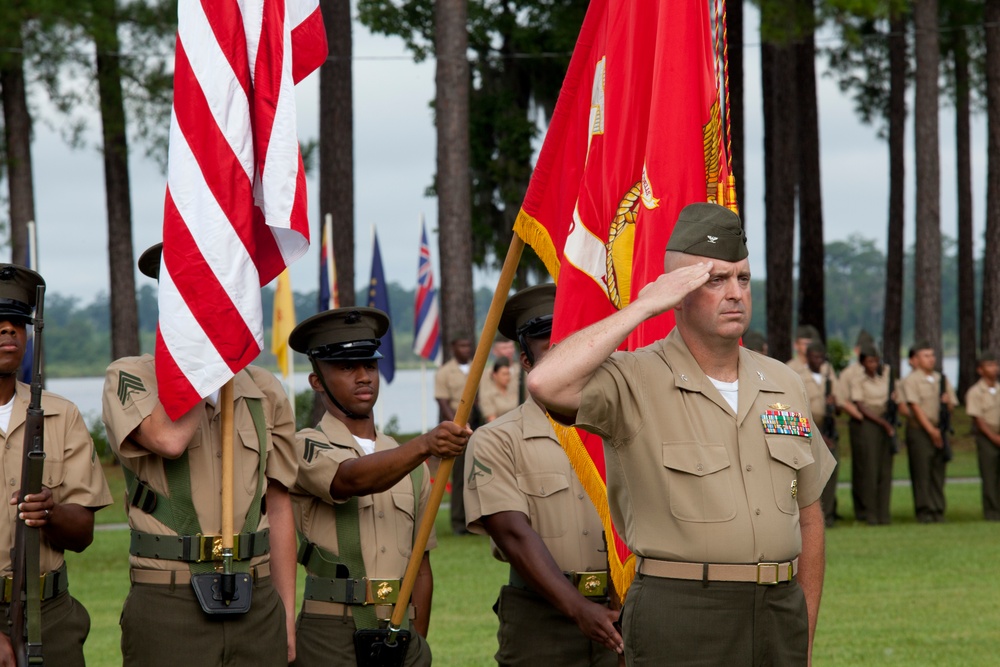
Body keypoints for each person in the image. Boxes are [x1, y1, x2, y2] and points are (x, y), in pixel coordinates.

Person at [528, 203, 835, 666]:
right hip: (683, 611)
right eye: (715, 280)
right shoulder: (634, 379)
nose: (735, 293)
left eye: (743, 279)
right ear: (678, 290)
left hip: (778, 612)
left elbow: (809, 518)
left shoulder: (783, 383)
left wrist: (803, 635)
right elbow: (545, 383)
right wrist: (645, 305)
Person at [102, 244, 300, 666]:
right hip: (168, 598)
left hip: (256, 592)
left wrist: (284, 615)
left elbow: (279, 506)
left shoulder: (263, 389)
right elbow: (169, 439)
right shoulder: (130, 376)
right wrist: (204, 358)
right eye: (190, 289)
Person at [287, 307, 471, 667]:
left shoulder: (412, 466)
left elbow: (421, 568)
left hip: (399, 627)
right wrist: (424, 446)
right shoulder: (303, 445)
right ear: (316, 382)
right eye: (346, 367)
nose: (363, 377)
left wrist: (417, 641)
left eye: (369, 365)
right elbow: (350, 479)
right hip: (331, 627)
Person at [464, 285, 621, 666]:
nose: (568, 355)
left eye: (576, 341)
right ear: (526, 361)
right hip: (540, 620)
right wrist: (579, 609)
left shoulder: (622, 429)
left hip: (624, 614)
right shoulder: (496, 440)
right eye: (551, 347)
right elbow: (513, 534)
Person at [0, 264, 111, 666]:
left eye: (17, 323)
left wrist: (49, 512)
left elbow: (82, 534)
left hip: (50, 614)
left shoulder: (60, 415)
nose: (8, 331)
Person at [898, 341, 957, 524]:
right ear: (915, 359)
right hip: (920, 430)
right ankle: (924, 510)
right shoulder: (911, 380)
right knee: (922, 472)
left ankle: (938, 509)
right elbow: (914, 407)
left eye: (932, 355)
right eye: (926, 355)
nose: (931, 359)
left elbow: (952, 406)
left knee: (938, 470)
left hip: (940, 428)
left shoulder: (942, 379)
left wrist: (947, 403)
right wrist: (931, 431)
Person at [435, 333, 477, 534]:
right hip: (457, 426)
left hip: (479, 423)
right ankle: (459, 522)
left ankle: (477, 519)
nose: (466, 349)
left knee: (478, 473)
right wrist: (457, 426)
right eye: (461, 345)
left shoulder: (479, 368)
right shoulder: (444, 372)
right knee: (459, 474)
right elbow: (443, 402)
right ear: (453, 348)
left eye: (468, 345)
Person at [850, 344, 896, 525]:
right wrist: (883, 423)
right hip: (869, 424)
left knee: (885, 470)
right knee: (870, 470)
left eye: (876, 361)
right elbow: (860, 405)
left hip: (886, 421)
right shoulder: (858, 380)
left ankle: (884, 513)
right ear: (862, 363)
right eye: (870, 361)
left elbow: (894, 398)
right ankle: (870, 514)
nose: (874, 364)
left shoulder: (885, 377)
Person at [798, 341, 840, 527]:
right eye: (815, 357)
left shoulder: (828, 377)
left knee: (830, 472)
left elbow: (840, 407)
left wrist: (834, 403)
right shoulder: (798, 377)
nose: (819, 361)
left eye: (822, 357)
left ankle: (828, 514)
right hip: (810, 426)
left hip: (829, 426)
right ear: (807, 358)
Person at [834, 331, 872, 522]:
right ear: (857, 351)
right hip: (859, 422)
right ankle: (861, 508)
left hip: (874, 424)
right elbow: (842, 399)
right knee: (861, 467)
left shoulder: (879, 370)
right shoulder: (849, 374)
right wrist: (859, 415)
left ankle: (872, 507)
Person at [965, 352, 1000, 521]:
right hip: (987, 437)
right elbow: (978, 419)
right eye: (989, 365)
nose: (994, 369)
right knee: (989, 475)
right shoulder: (975, 392)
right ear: (980, 369)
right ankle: (992, 511)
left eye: (995, 365)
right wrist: (994, 437)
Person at [479, 357, 519, 422]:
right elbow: (491, 418)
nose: (507, 377)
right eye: (504, 374)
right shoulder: (488, 394)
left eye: (508, 374)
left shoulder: (513, 388)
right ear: (495, 375)